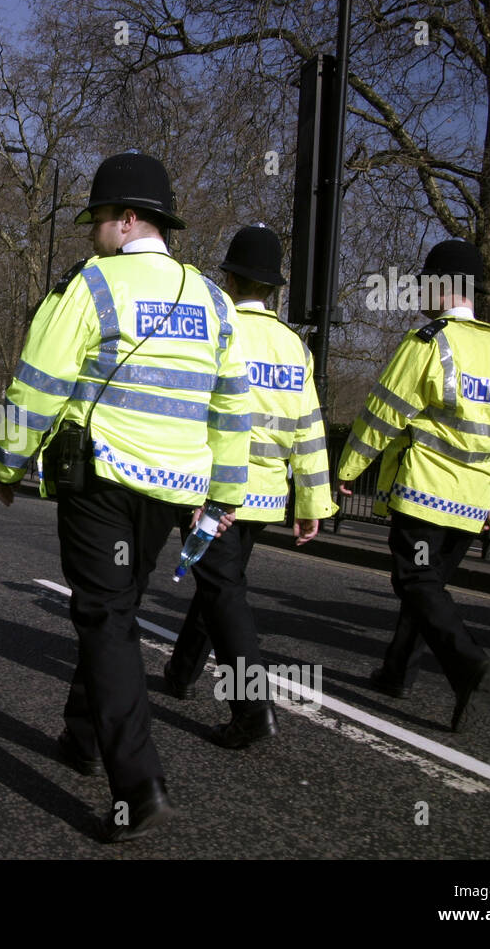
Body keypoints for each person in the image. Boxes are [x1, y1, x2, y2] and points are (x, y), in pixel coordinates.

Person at [0, 153, 251, 842]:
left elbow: (39, 382)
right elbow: (232, 409)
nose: (91, 232)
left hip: (101, 478)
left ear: (128, 217)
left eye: (98, 219)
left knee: (107, 622)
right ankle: (81, 736)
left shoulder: (93, 285)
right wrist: (222, 498)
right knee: (116, 613)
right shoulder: (212, 300)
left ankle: (137, 784)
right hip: (175, 490)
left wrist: (8, 462)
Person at [336, 240, 490, 732]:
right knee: (428, 589)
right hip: (473, 501)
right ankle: (397, 672)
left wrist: (347, 468)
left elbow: (382, 412)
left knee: (414, 582)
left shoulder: (429, 342)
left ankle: (468, 665)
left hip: (425, 490)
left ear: (445, 288)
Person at [162, 225, 337, 746]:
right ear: (274, 288)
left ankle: (251, 708)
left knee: (223, 589)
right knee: (219, 582)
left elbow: (194, 407)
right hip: (267, 495)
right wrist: (312, 501)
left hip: (217, 488)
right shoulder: (294, 347)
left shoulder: (218, 326)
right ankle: (180, 673)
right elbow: (308, 428)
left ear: (231, 278)